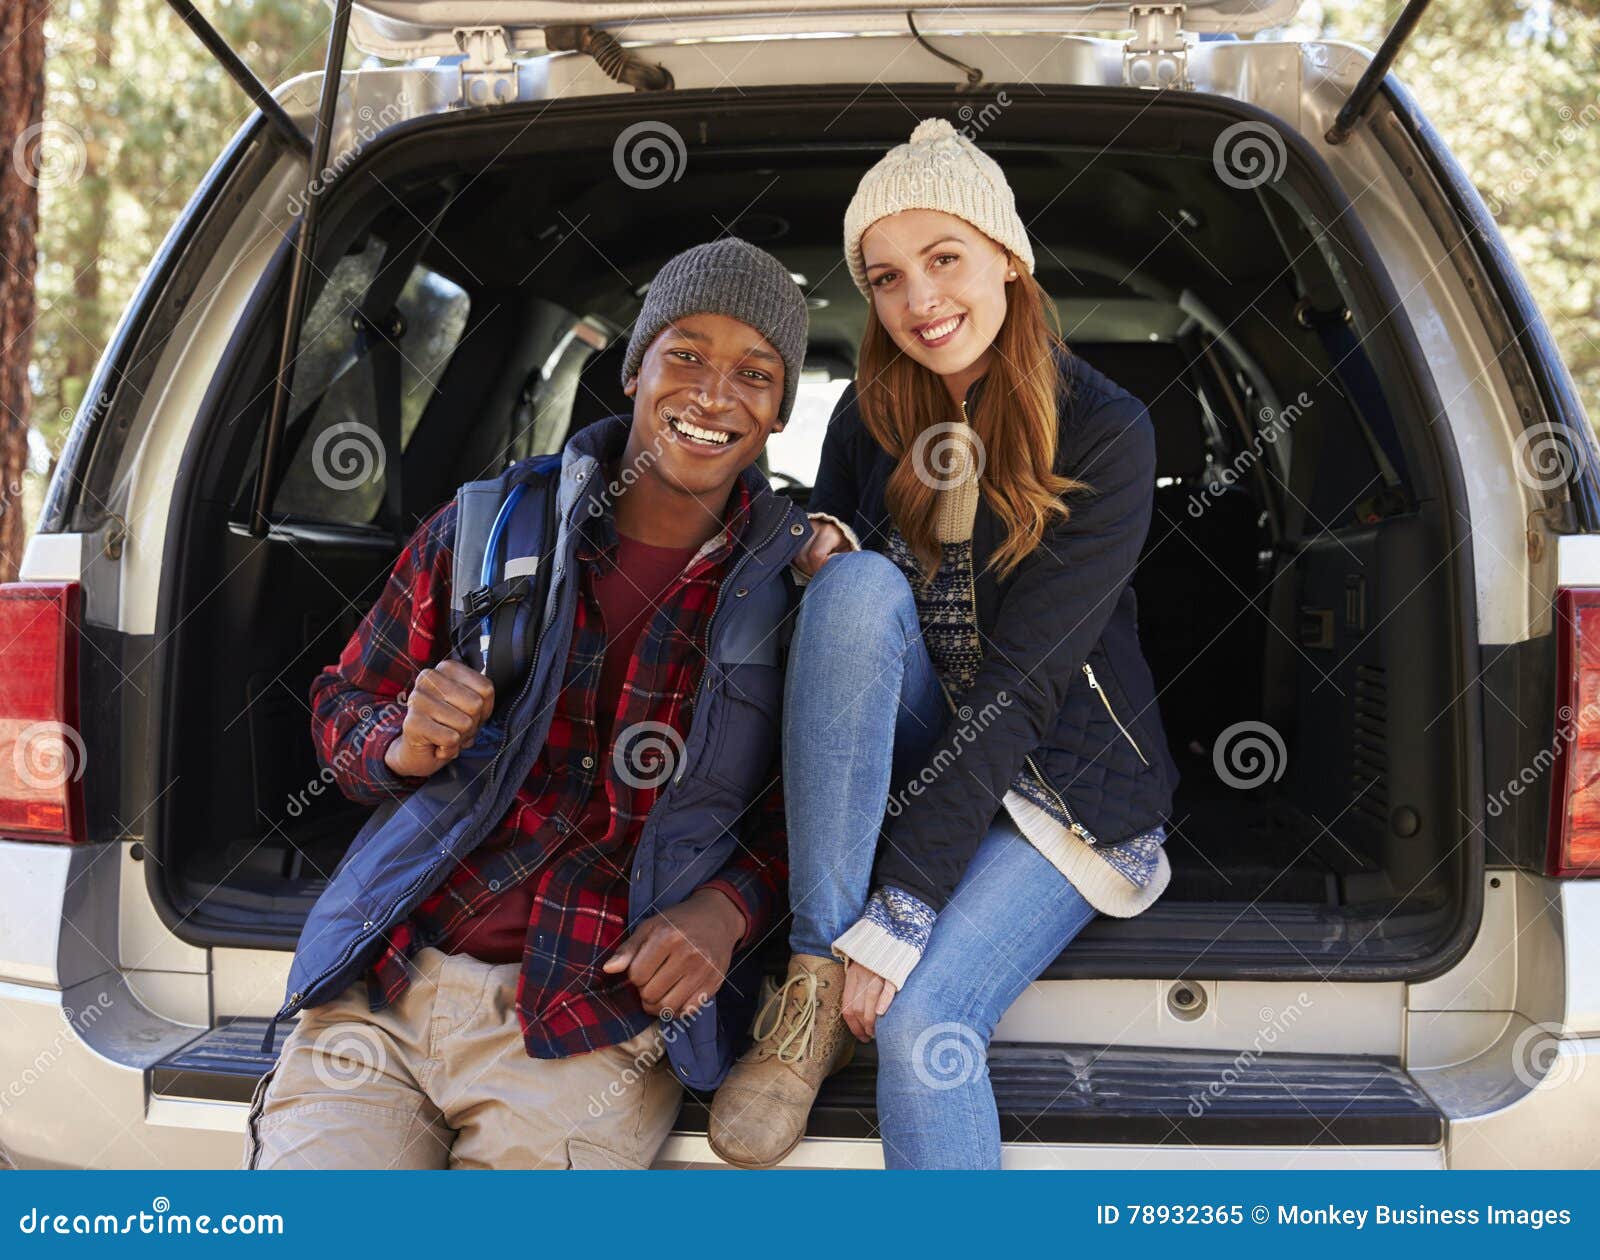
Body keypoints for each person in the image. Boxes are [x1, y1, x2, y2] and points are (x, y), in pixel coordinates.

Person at [246, 237, 825, 1170]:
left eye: (754, 373)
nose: (715, 395)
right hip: (387, 987)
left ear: (781, 410)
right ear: (634, 368)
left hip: (585, 1026)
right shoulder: (487, 529)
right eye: (685, 355)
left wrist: (727, 909)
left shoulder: (800, 590)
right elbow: (344, 701)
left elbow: (826, 813)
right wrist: (402, 743)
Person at [708, 119, 1181, 1170]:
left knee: (924, 1028)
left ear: (1008, 258)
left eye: (944, 259)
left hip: (1065, 785)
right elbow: (832, 644)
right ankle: (814, 986)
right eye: (884, 277)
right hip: (920, 763)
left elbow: (1023, 684)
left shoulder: (1105, 428)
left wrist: (907, 907)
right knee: (860, 582)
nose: (917, 301)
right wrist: (816, 549)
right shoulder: (868, 420)